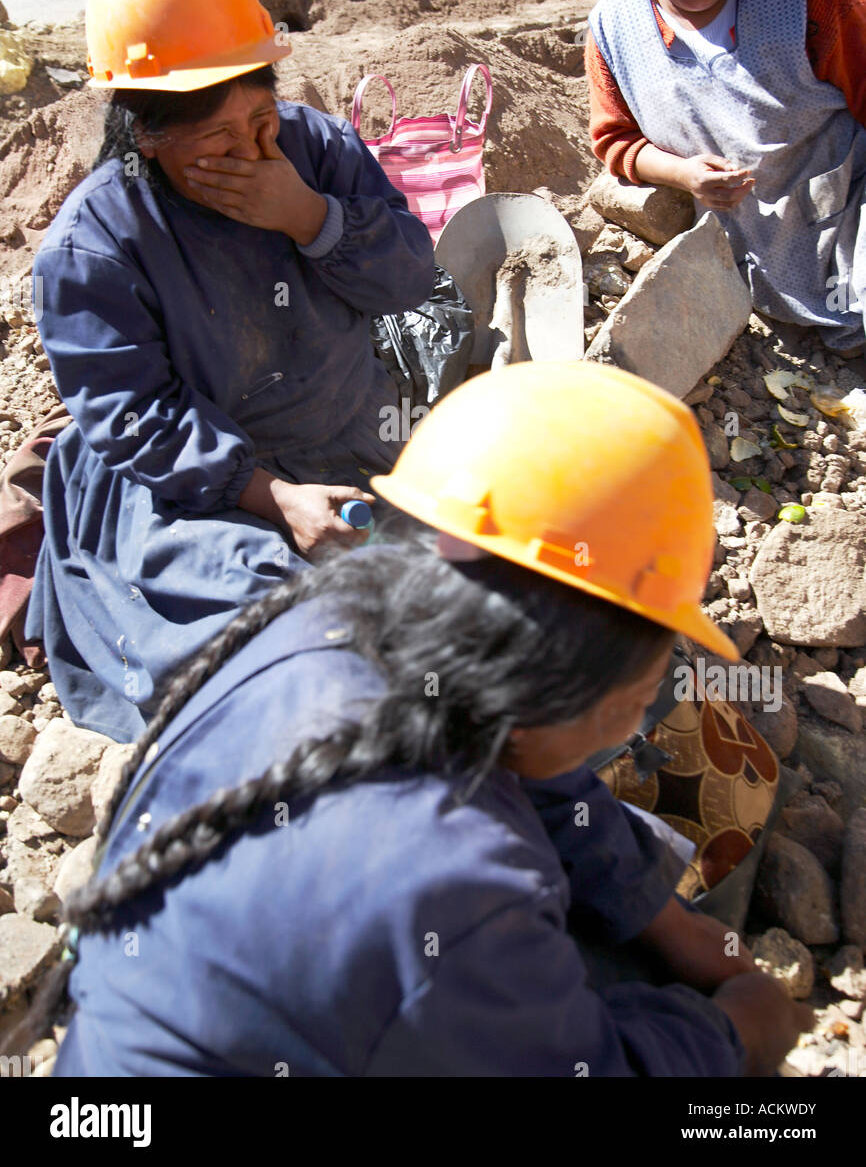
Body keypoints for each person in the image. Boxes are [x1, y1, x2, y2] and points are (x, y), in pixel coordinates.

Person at [39, 361, 810, 1077]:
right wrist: (735, 1034)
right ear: (583, 677)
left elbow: (538, 769)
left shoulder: (328, 621)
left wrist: (654, 914)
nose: (652, 694)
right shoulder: (458, 891)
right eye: (652, 665)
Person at [23, 0, 435, 743]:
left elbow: (410, 277)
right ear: (147, 133)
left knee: (483, 592)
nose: (254, 150)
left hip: (354, 440)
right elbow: (136, 417)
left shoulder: (313, 150)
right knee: (287, 645)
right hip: (198, 494)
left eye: (261, 117)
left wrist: (309, 217)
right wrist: (275, 497)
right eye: (218, 143)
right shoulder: (92, 248)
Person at [586, 0, 866, 351]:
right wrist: (683, 174)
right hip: (743, 245)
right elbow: (616, 138)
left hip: (846, 207)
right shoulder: (615, 25)